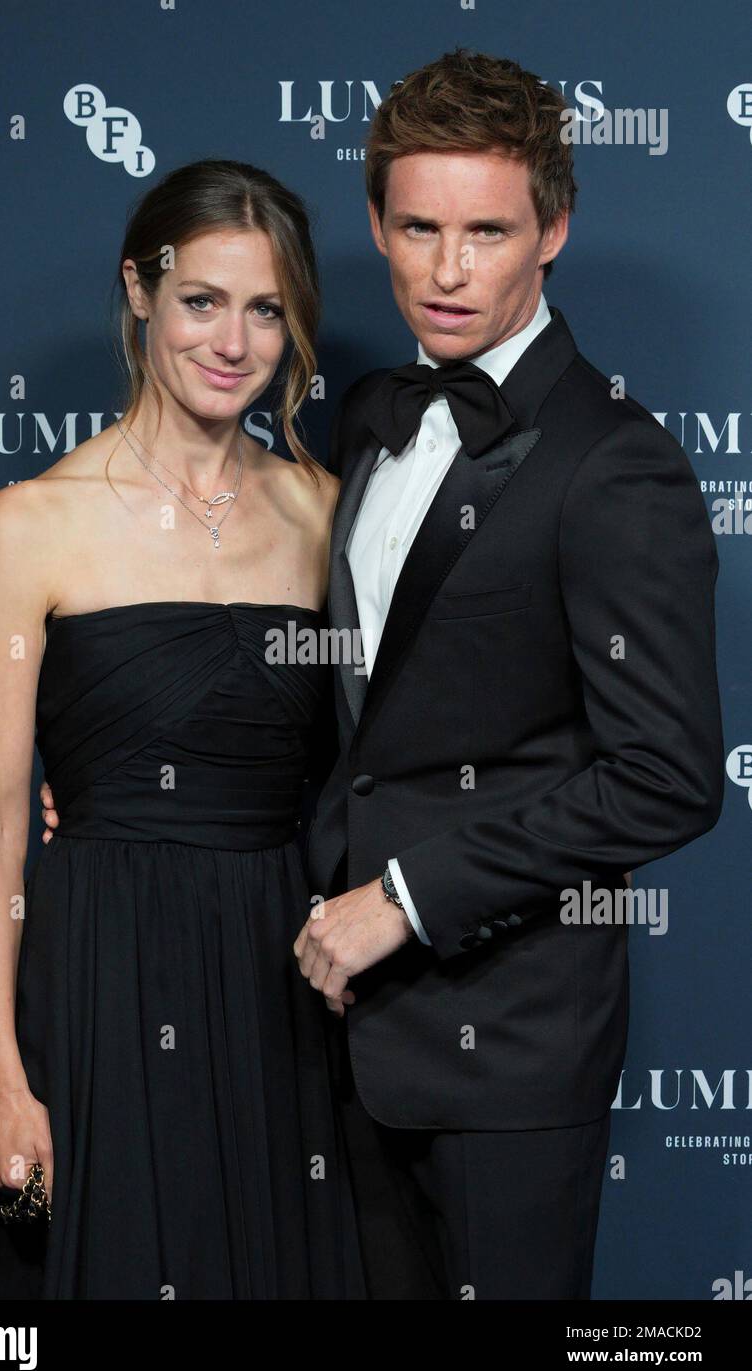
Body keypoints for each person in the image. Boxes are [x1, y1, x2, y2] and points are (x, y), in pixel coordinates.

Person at [294, 48, 724, 1300]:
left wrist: (406, 896)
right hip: (333, 1030)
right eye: (417, 227)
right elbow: (362, 713)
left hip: (509, 1045)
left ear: (553, 229)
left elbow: (665, 776)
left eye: (485, 231)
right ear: (374, 221)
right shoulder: (371, 412)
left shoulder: (612, 463)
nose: (445, 269)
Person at [0, 158, 364, 1299]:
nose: (232, 341)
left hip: (283, 976)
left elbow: (378, 763)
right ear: (139, 292)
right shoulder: (31, 523)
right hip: (102, 971)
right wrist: (2, 1070)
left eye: (266, 309)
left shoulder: (325, 512)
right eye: (201, 300)